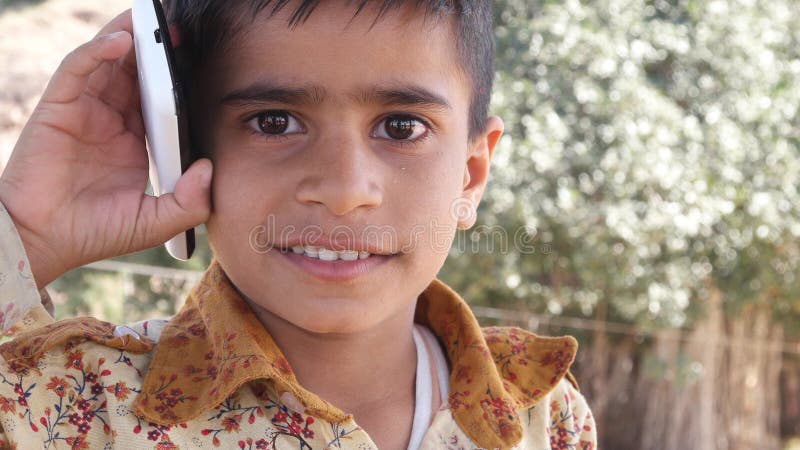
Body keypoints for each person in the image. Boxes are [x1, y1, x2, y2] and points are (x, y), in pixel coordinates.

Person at [0, 1, 596, 448]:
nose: (342, 192)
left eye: (401, 127)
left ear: (469, 176)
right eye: (275, 121)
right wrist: (30, 233)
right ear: (185, 151)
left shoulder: (542, 412)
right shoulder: (77, 400)